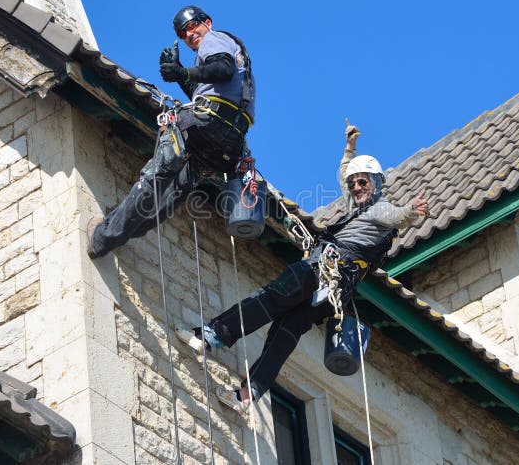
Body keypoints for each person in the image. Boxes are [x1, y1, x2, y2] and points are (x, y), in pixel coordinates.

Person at [177, 121, 429, 412]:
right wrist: (350, 148)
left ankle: (211, 336)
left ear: (377, 183)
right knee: (285, 332)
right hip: (333, 290)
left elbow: (396, 215)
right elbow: (344, 175)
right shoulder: (360, 208)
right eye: (354, 183)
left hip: (322, 269)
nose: (356, 187)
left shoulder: (378, 209)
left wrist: (412, 211)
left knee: (270, 299)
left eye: (363, 182)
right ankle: (248, 394)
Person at [87, 6, 255, 258]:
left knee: (156, 176)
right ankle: (121, 233)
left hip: (202, 125)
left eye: (192, 25)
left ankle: (105, 236)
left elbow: (222, 69)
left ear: (207, 22)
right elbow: (210, 89)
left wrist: (183, 71)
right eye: (182, 32)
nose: (189, 34)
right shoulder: (232, 52)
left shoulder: (214, 38)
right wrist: (180, 75)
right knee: (175, 194)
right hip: (227, 141)